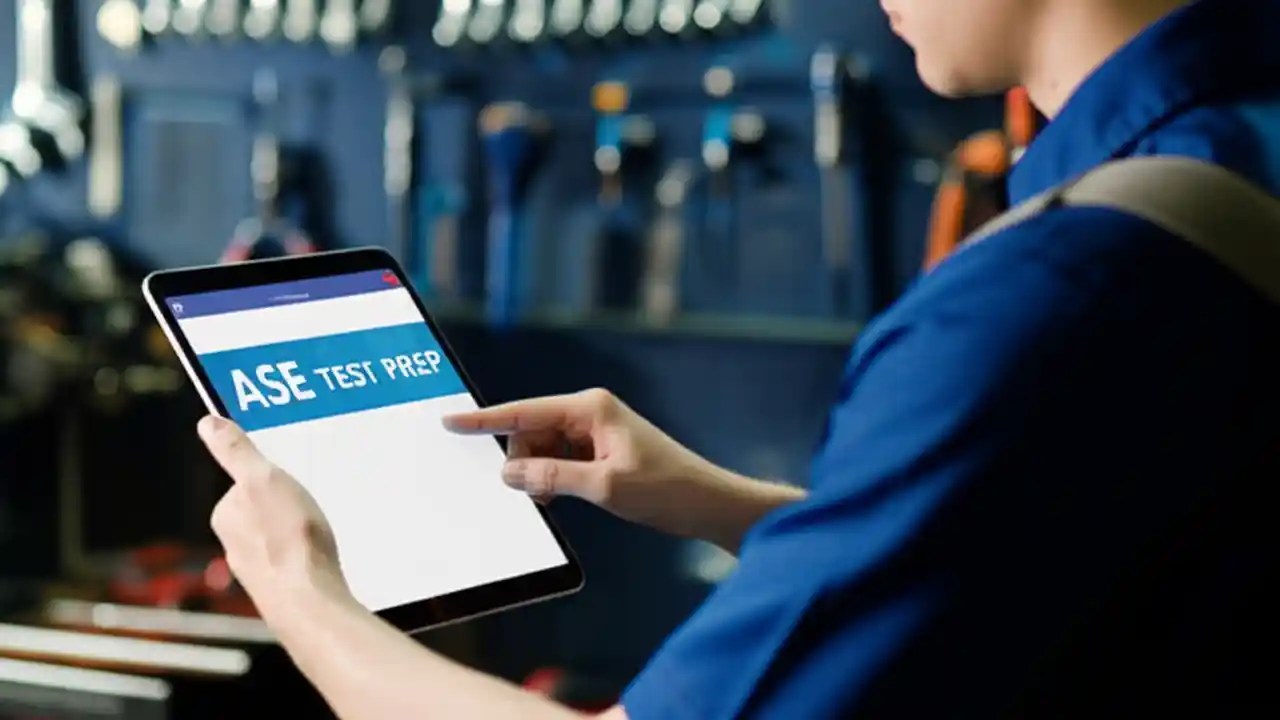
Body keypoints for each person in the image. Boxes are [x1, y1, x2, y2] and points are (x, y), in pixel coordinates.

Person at [196, 0, 1280, 716]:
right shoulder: (1229, 162)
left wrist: (301, 591)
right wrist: (729, 504)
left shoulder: (1051, 291)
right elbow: (1074, 562)